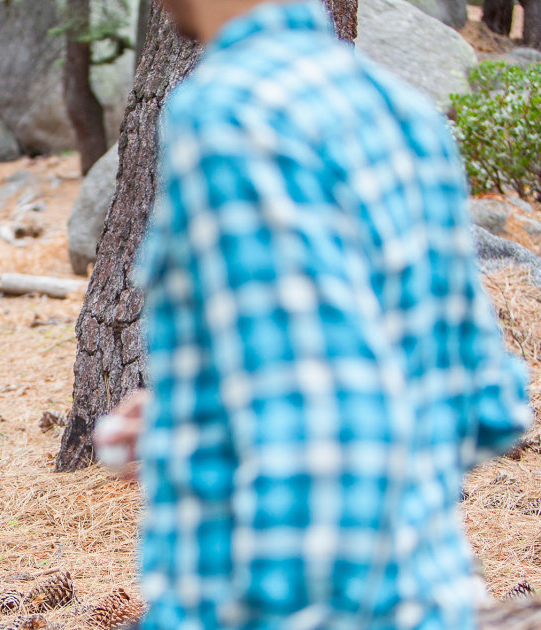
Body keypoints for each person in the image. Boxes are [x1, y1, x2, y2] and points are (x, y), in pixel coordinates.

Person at [93, 0, 535, 627]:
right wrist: (195, 421)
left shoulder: (232, 114)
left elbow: (329, 439)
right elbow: (485, 404)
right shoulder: (402, 113)